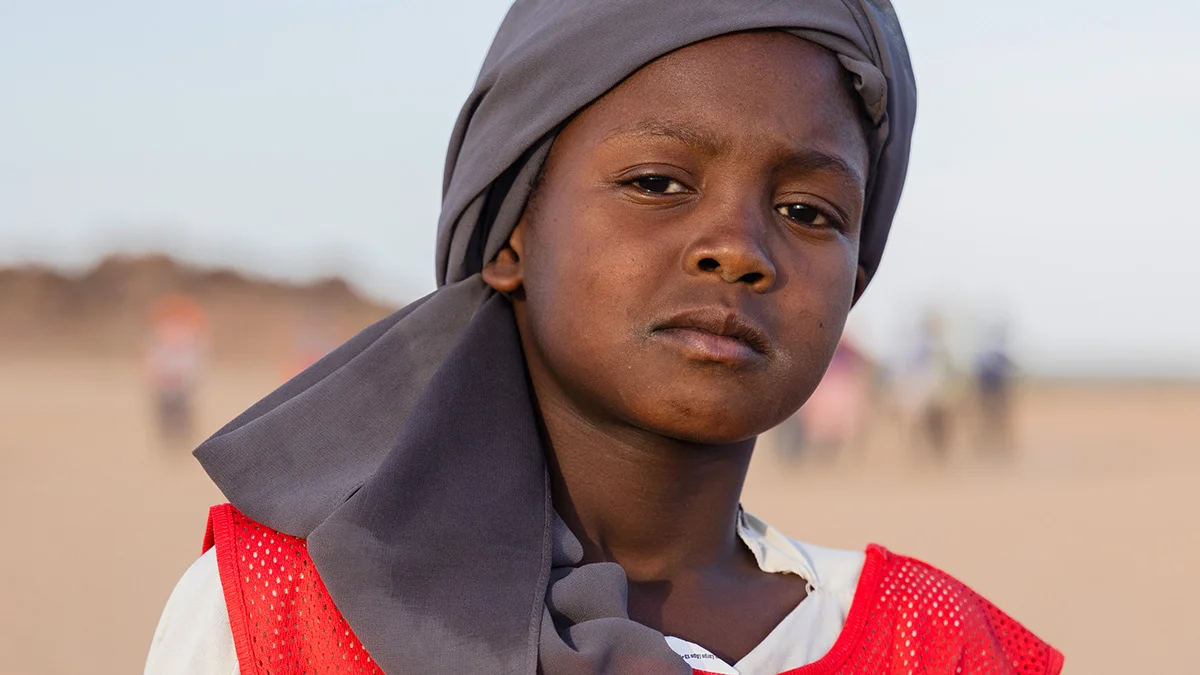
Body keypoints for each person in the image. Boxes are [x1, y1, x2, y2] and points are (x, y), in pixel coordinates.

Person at [144, 2, 1063, 674]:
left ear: (857, 276)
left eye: (807, 211)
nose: (739, 249)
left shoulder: (943, 645)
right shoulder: (275, 616)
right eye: (659, 183)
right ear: (512, 231)